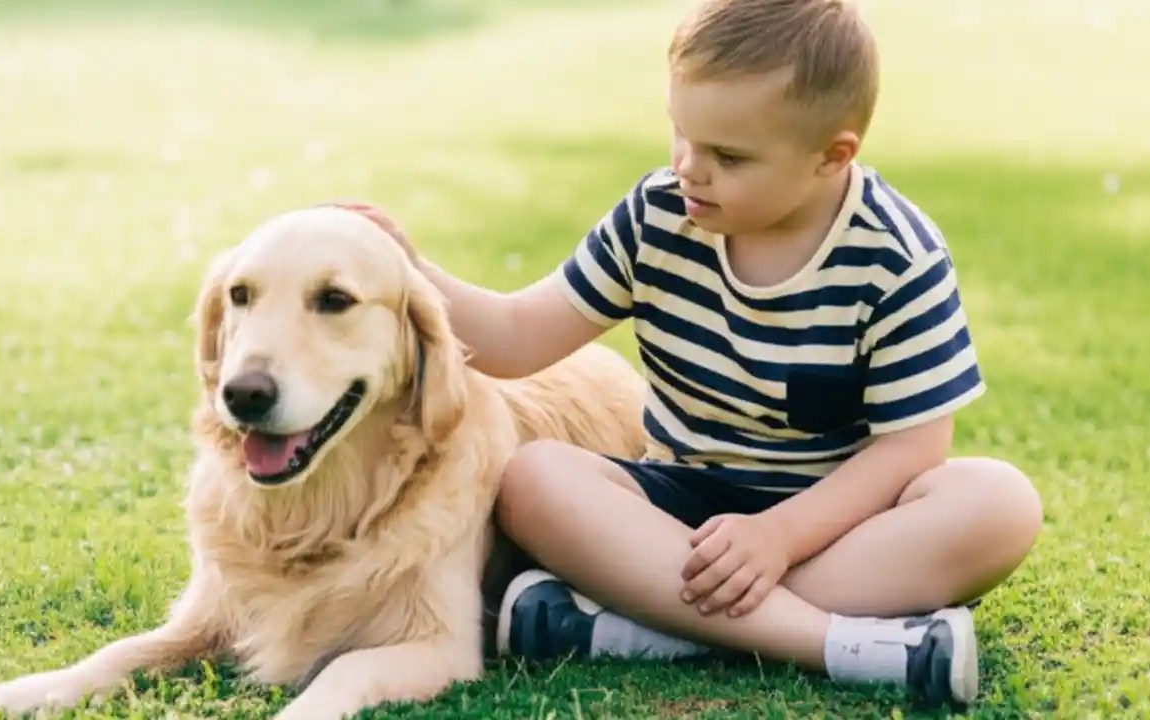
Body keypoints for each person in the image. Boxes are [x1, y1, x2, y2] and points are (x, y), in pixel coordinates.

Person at [339, 0, 1042, 707]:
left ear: (833, 155)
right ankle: (839, 643)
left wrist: (779, 535)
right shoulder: (657, 216)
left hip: (841, 524)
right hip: (679, 517)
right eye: (681, 132)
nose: (688, 168)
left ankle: (651, 626)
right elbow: (520, 335)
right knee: (532, 478)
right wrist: (412, 268)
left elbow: (912, 449)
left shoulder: (896, 257)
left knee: (998, 503)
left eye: (728, 156)